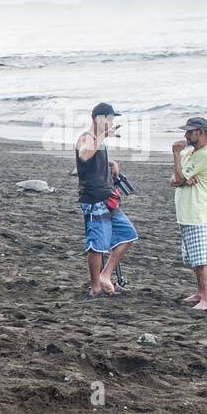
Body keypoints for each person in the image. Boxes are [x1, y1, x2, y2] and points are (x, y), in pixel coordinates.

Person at [76, 102, 137, 298]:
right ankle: (96, 287)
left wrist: (112, 163)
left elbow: (93, 159)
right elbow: (85, 155)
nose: (111, 122)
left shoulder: (99, 141)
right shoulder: (86, 138)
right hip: (93, 199)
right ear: (98, 119)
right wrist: (103, 135)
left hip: (108, 197)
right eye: (109, 118)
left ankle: (106, 275)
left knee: (128, 234)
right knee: (97, 245)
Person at [171, 116, 207, 311]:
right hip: (187, 212)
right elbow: (174, 178)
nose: (186, 135)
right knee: (194, 258)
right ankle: (199, 292)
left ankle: (206, 299)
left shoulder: (204, 155)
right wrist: (180, 178)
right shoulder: (190, 153)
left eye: (190, 131)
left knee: (203, 259)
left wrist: (175, 154)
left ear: (201, 132)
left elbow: (179, 177)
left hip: (198, 213)